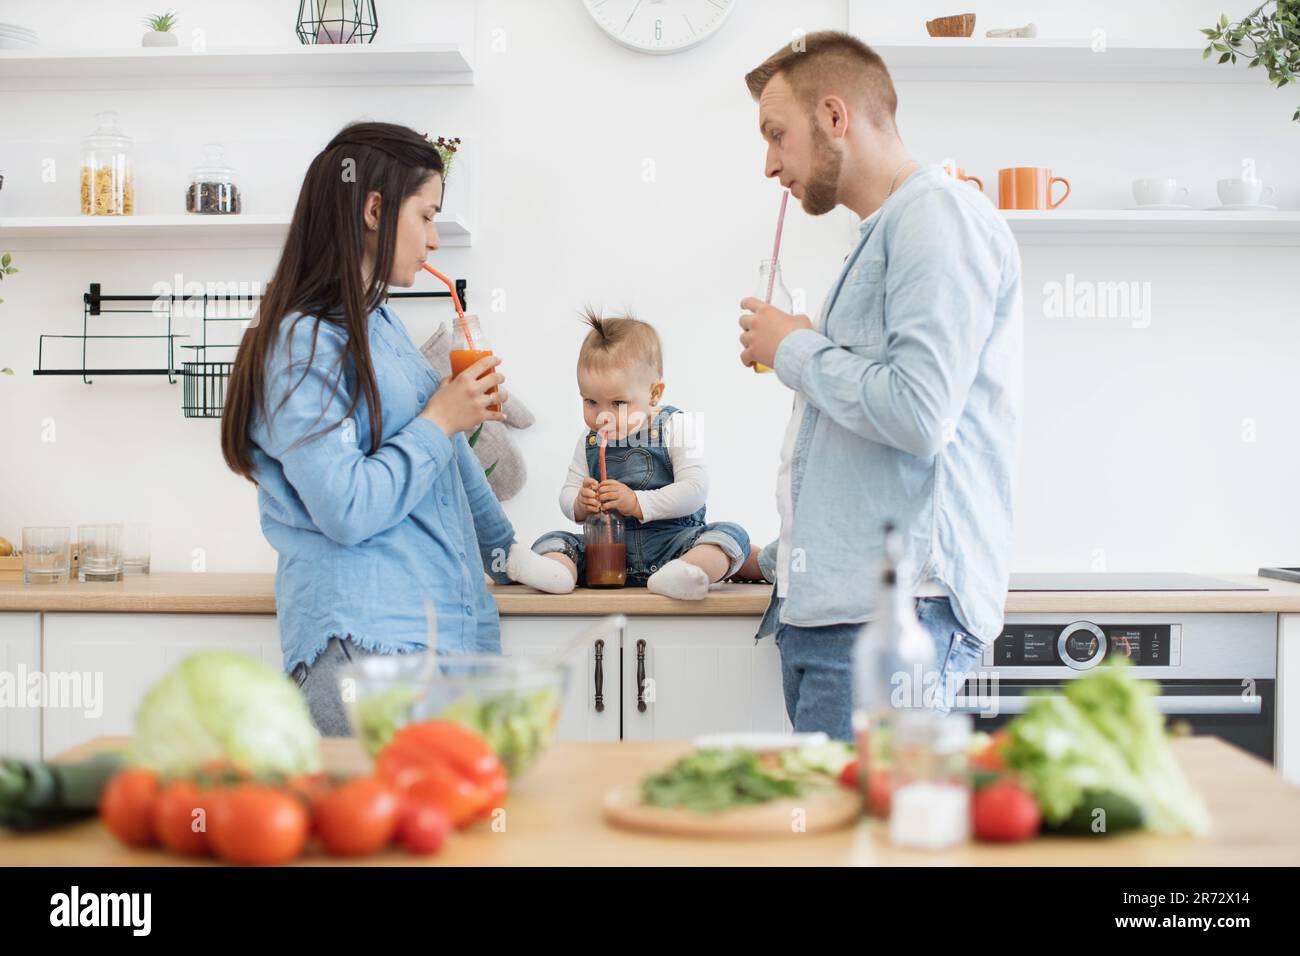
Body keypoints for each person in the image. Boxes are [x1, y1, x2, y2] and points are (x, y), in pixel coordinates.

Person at [221, 121, 561, 735]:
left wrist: (507, 550)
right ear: (375, 209)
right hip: (368, 649)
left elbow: (447, 462)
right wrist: (439, 417)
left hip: (432, 648)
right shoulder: (305, 341)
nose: (433, 240)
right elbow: (346, 506)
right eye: (426, 216)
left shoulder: (381, 327)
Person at [737, 32, 1024, 739]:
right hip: (836, 617)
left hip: (890, 620)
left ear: (835, 117)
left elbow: (921, 415)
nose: (770, 165)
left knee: (859, 845)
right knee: (842, 840)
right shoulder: (882, 230)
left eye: (778, 135)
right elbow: (862, 459)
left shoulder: (936, 216)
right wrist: (773, 557)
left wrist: (795, 348)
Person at [529, 310, 763, 598]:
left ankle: (687, 574)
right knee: (554, 542)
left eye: (618, 403)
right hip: (607, 557)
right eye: (590, 401)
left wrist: (637, 502)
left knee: (730, 535)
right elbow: (567, 493)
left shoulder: (677, 426)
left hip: (675, 547)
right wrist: (579, 503)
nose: (603, 416)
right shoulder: (589, 440)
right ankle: (558, 574)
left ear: (654, 393)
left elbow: (695, 489)